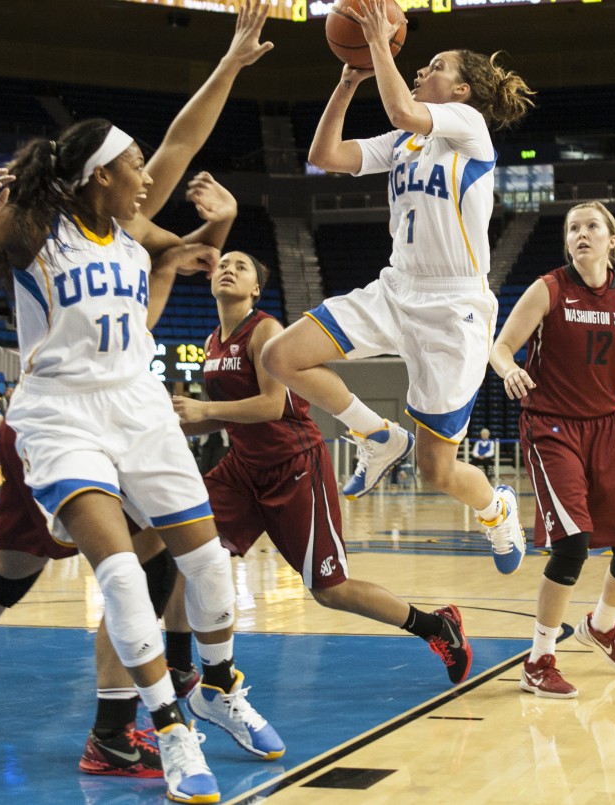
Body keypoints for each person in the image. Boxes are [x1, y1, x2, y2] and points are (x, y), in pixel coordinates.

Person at [0, 0, 277, 804]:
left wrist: (231, 63)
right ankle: (156, 729)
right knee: (124, 577)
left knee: (198, 561)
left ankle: (216, 686)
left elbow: (182, 141)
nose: (149, 174)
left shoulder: (133, 228)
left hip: (136, 404)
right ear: (102, 174)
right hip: (62, 414)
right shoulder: (35, 224)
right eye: (134, 164)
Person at [261, 0, 536, 576]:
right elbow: (325, 155)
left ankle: (496, 508)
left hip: (454, 306)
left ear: (462, 91)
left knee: (438, 471)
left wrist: (378, 43)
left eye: (435, 67)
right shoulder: (407, 142)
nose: (420, 69)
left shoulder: (468, 127)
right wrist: (348, 82)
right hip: (395, 288)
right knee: (280, 356)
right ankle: (377, 435)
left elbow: (402, 110)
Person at [173, 251, 472, 685]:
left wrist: (204, 410)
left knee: (330, 591)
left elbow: (271, 406)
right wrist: (182, 422)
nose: (228, 269)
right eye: (224, 264)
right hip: (242, 468)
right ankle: (179, 665)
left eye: (241, 266)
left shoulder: (265, 331)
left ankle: (436, 627)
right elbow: (225, 415)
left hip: (293, 467)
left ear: (256, 289)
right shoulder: (211, 342)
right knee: (188, 550)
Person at [489, 201, 615, 700]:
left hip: (605, 429)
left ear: (611, 240)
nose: (581, 234)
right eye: (573, 227)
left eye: (592, 226)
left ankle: (601, 625)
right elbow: (499, 347)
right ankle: (538, 661)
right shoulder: (548, 289)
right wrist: (509, 369)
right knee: (572, 544)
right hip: (551, 427)